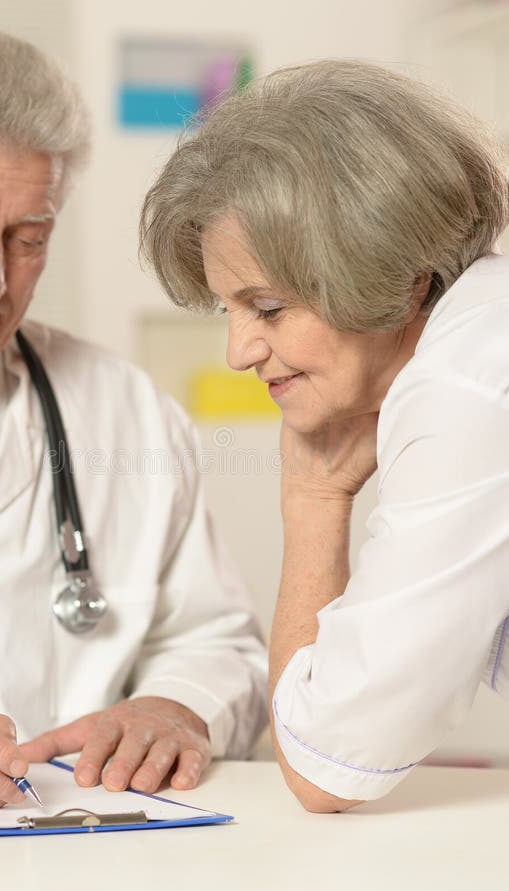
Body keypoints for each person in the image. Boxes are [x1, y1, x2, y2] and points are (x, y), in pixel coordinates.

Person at [0, 20, 268, 810]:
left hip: (79, 865)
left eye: (27, 237)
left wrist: (176, 708)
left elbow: (219, 643)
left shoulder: (123, 411)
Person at [140, 59, 509, 812]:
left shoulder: (463, 392)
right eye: (228, 311)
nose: (238, 352)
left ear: (400, 275)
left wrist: (311, 497)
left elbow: (324, 762)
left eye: (268, 308)